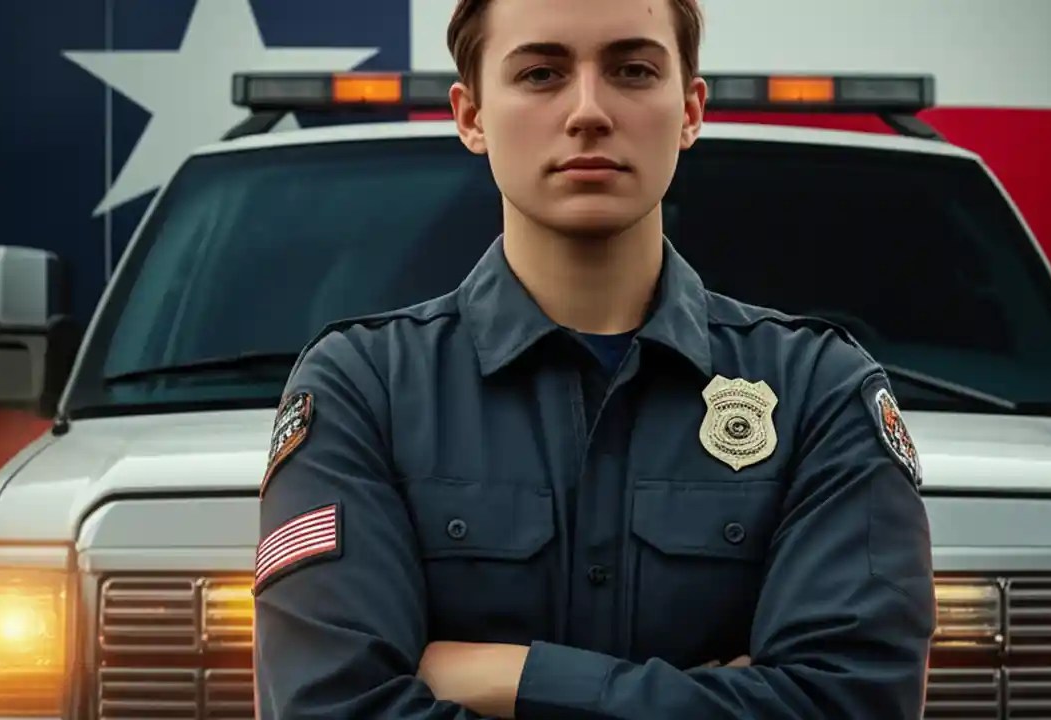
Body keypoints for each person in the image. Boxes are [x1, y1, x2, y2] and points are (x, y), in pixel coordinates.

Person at [251, 0, 937, 717]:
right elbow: (327, 706)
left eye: (633, 70)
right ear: (471, 115)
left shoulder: (819, 394)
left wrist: (512, 680)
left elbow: (854, 702)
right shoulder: (363, 392)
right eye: (542, 72)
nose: (588, 110)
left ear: (691, 109)